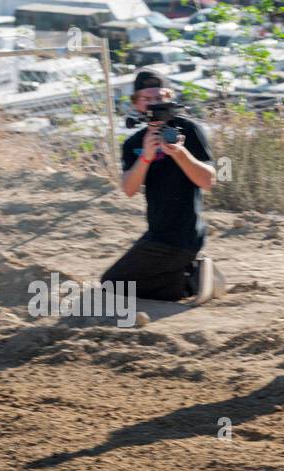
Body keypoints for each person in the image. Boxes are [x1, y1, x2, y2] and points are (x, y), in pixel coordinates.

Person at [101, 70, 224, 305]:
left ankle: (189, 281)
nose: (155, 105)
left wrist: (180, 153)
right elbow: (128, 189)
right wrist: (146, 157)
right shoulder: (134, 143)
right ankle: (192, 275)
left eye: (160, 98)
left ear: (170, 99)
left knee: (112, 283)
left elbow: (208, 181)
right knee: (127, 281)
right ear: (137, 105)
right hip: (156, 234)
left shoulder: (189, 131)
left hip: (184, 235)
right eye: (147, 99)